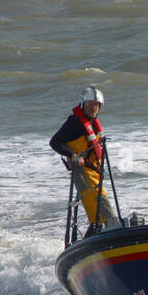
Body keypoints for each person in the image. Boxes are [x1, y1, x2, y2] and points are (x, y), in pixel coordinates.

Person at [50, 86, 117, 227]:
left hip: (93, 169)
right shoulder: (74, 123)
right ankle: (112, 224)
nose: (93, 108)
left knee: (97, 199)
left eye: (96, 105)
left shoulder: (92, 122)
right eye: (90, 105)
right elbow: (55, 142)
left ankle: (98, 228)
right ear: (83, 105)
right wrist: (73, 155)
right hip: (81, 169)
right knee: (96, 197)